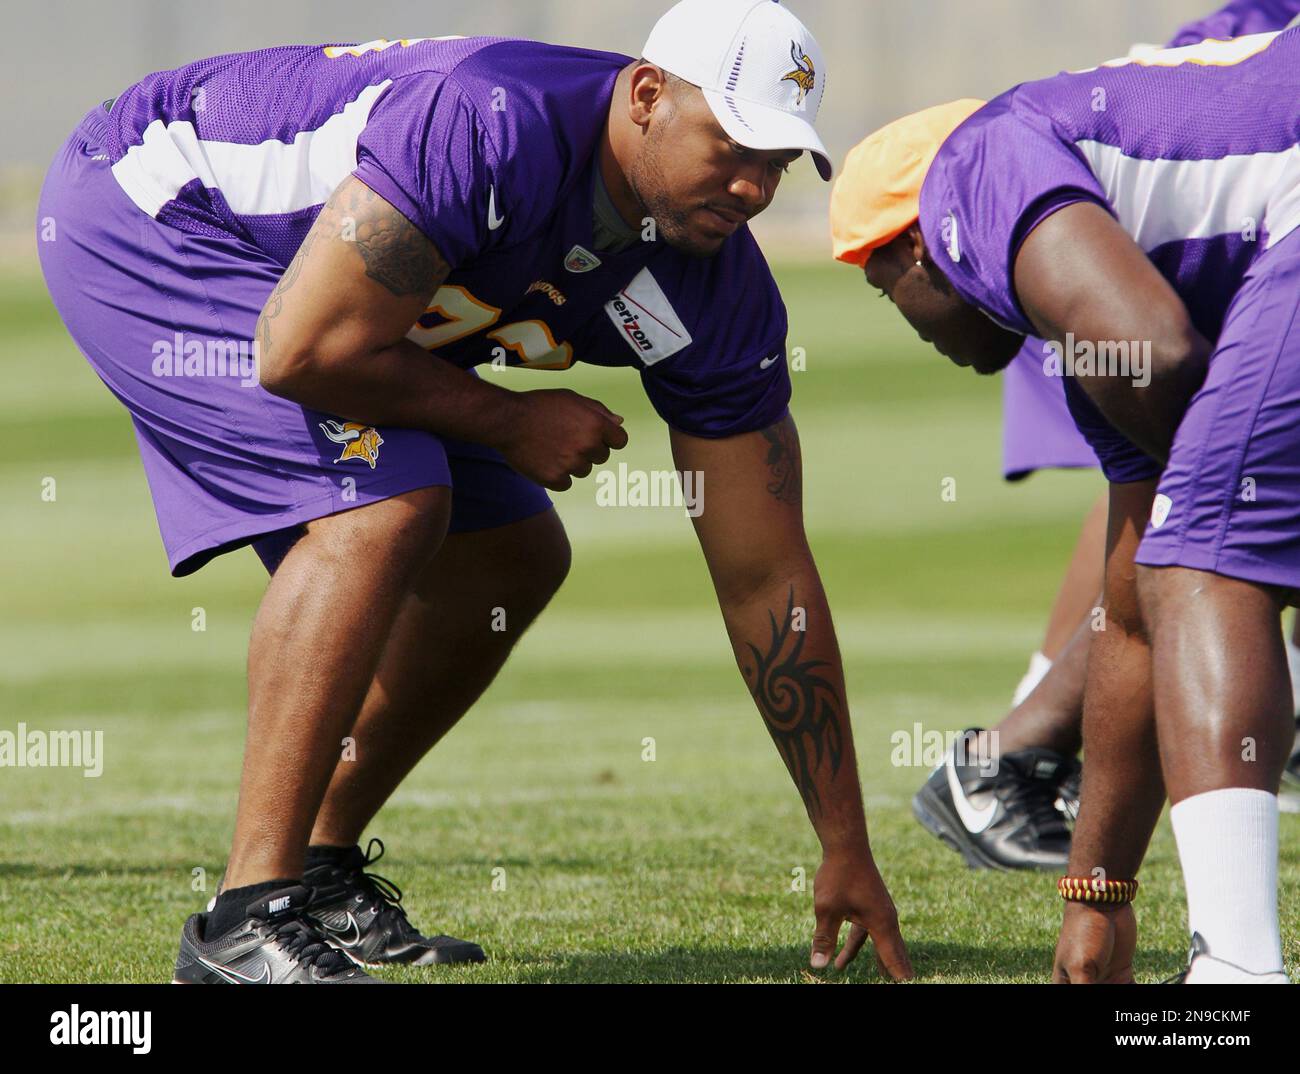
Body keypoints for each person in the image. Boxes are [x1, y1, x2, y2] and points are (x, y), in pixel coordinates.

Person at [39, 0, 911, 983]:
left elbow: (764, 574)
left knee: (511, 555)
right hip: (156, 207)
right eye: (733, 143)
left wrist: (843, 844)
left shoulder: (713, 288)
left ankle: (319, 868)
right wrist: (509, 421)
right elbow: (304, 350)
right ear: (646, 96)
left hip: (316, 298)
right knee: (385, 504)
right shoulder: (489, 123)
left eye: (781, 162)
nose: (753, 184)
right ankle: (246, 917)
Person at [830, 25, 1300, 982]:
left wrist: (1211, 519)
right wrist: (1097, 896)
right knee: (1184, 558)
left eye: (886, 285)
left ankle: (1236, 980)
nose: (908, 319)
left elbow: (1162, 357)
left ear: (923, 242)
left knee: (1205, 559)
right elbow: (1129, 613)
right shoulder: (1089, 317)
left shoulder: (977, 161)